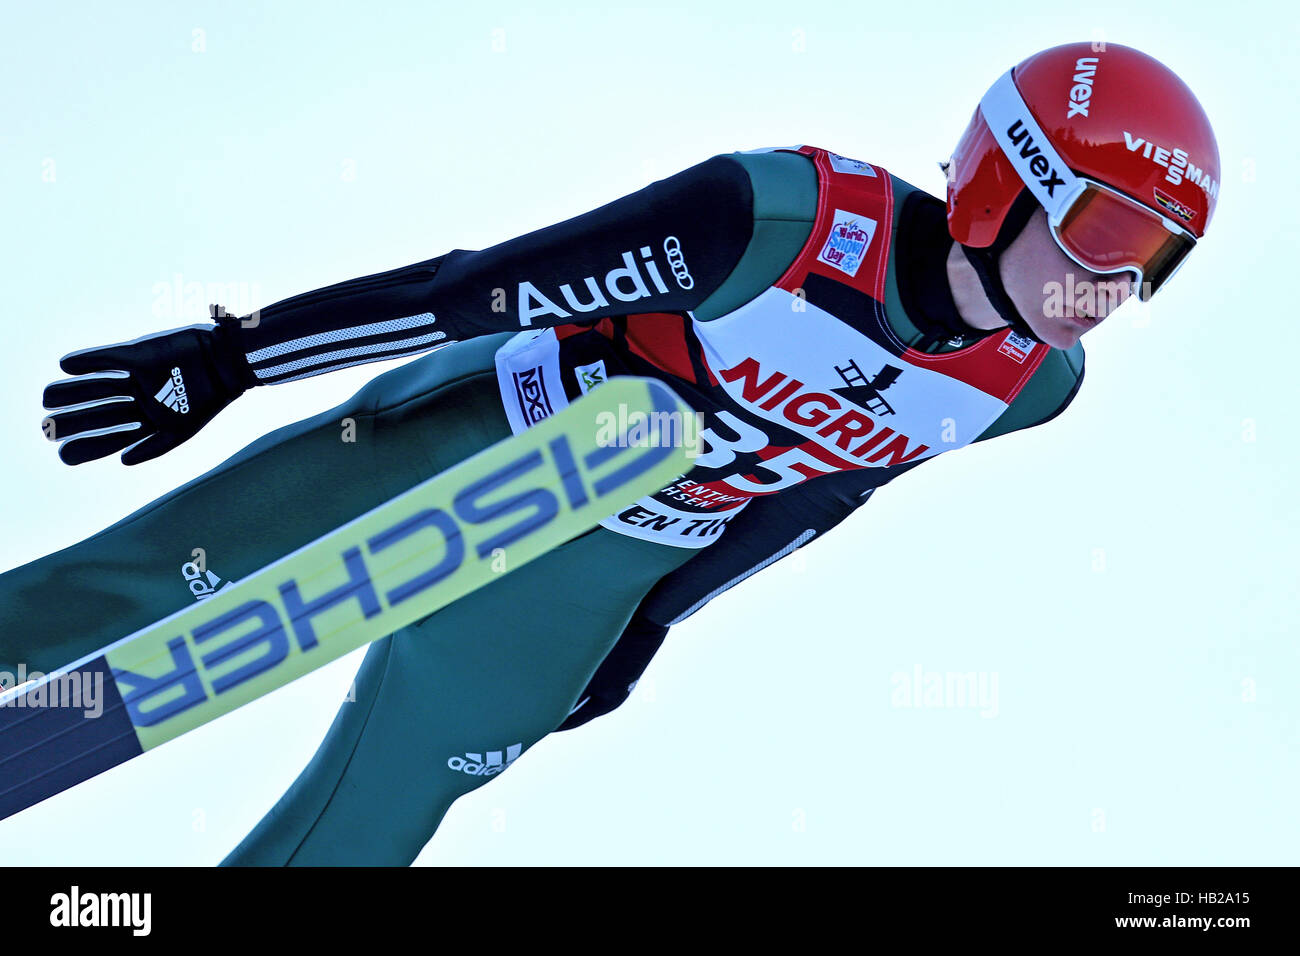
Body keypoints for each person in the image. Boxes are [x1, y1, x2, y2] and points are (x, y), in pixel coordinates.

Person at [1, 41, 1219, 864]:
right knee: (157, 584)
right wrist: (231, 357)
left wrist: (652, 621)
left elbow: (822, 494)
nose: (1114, 285)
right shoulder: (781, 221)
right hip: (498, 429)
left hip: (615, 559)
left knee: (391, 800)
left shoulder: (1025, 386)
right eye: (1105, 227)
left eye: (1155, 258)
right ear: (1006, 183)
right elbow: (473, 292)